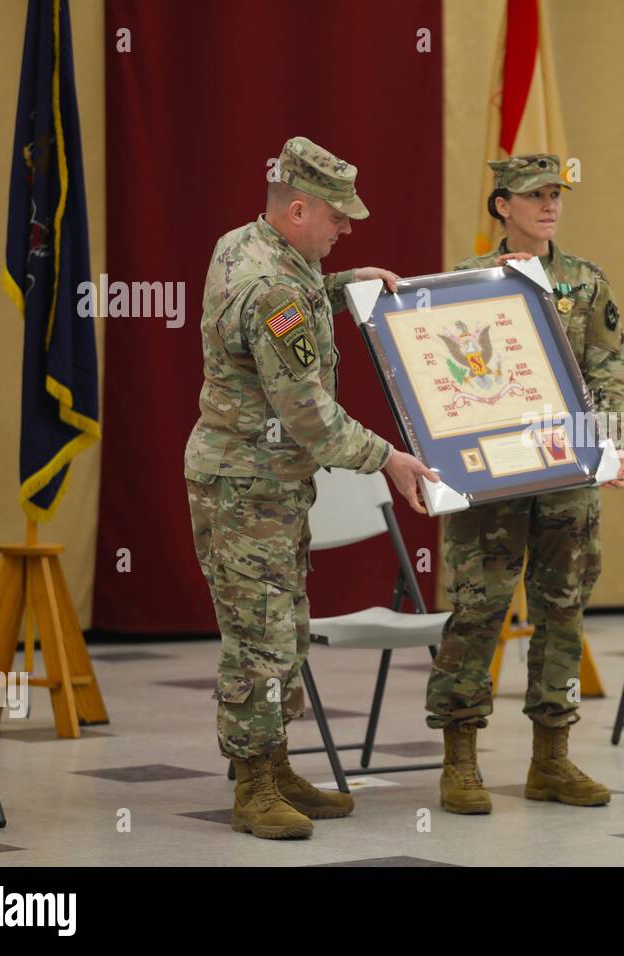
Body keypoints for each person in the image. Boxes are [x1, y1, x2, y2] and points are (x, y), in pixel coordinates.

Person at [184, 135, 437, 839]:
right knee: (258, 639)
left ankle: (274, 761)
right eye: (336, 217)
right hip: (246, 487)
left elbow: (283, 300)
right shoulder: (273, 288)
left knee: (283, 628)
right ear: (298, 209)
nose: (345, 226)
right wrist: (388, 456)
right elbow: (310, 417)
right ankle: (253, 786)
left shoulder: (245, 246)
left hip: (264, 485)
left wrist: (342, 279)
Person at [427, 154, 624, 814]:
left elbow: (612, 373)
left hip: (565, 477)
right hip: (490, 480)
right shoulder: (465, 282)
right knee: (479, 610)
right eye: (533, 194)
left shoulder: (584, 282)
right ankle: (460, 761)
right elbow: (440, 379)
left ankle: (553, 758)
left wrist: (610, 449)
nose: (549, 204)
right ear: (502, 206)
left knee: (563, 615)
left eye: (555, 194)